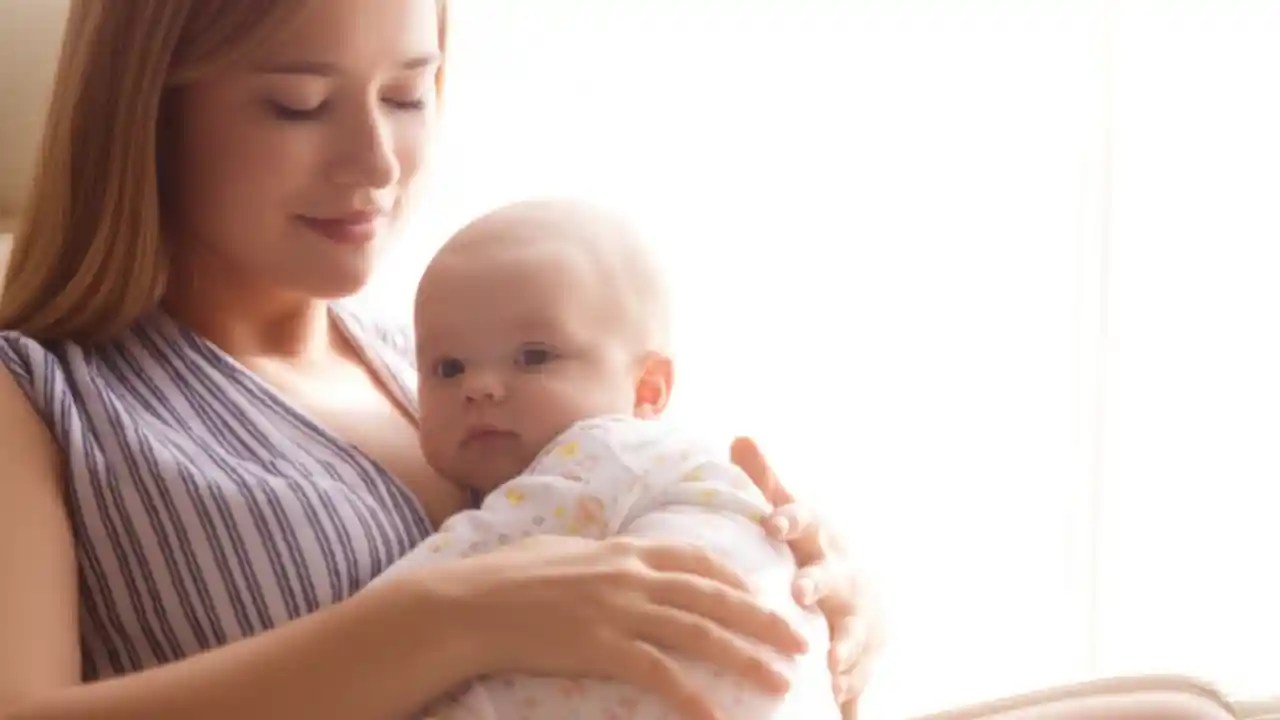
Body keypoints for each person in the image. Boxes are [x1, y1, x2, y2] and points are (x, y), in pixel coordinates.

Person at [0, 2, 878, 719]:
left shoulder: (453, 360)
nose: (375, 164)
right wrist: (449, 621)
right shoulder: (35, 398)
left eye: (409, 95)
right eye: (299, 104)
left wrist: (797, 593)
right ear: (149, 111)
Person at [371, 198, 840, 719]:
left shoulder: (605, 450)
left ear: (648, 388)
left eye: (534, 357)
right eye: (448, 367)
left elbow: (458, 571)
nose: (478, 386)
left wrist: (352, 626)